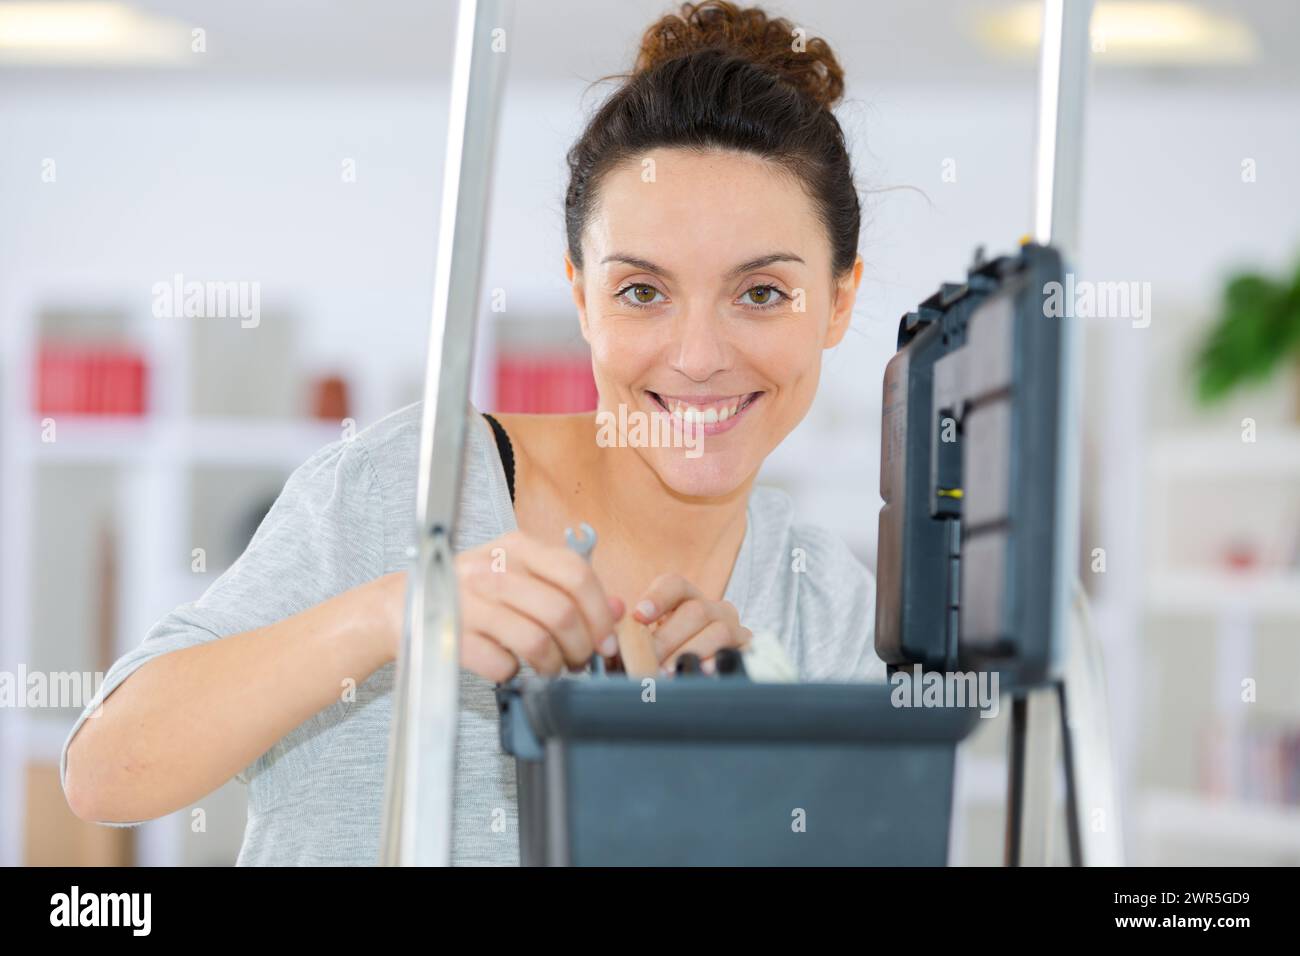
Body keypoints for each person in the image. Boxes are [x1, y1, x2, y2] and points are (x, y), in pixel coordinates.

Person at [62, 0, 886, 866]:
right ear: (582, 299)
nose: (698, 356)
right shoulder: (415, 489)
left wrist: (741, 765)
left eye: (761, 293)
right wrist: (401, 611)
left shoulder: (826, 611)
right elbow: (108, 772)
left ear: (838, 300)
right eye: (643, 291)